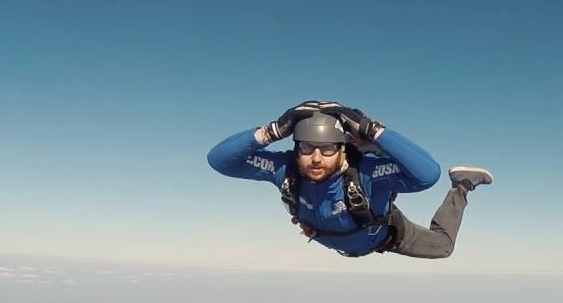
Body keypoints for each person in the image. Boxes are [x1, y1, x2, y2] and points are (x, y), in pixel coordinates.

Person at [207, 101, 492, 258]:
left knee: (443, 247)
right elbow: (219, 161)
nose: (316, 158)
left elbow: (427, 175)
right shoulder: (286, 170)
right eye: (306, 148)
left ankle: (462, 185)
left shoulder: (367, 173)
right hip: (340, 239)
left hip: (387, 237)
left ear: (342, 150)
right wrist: (270, 132)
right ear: (296, 149)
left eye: (327, 148)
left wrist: (373, 130)